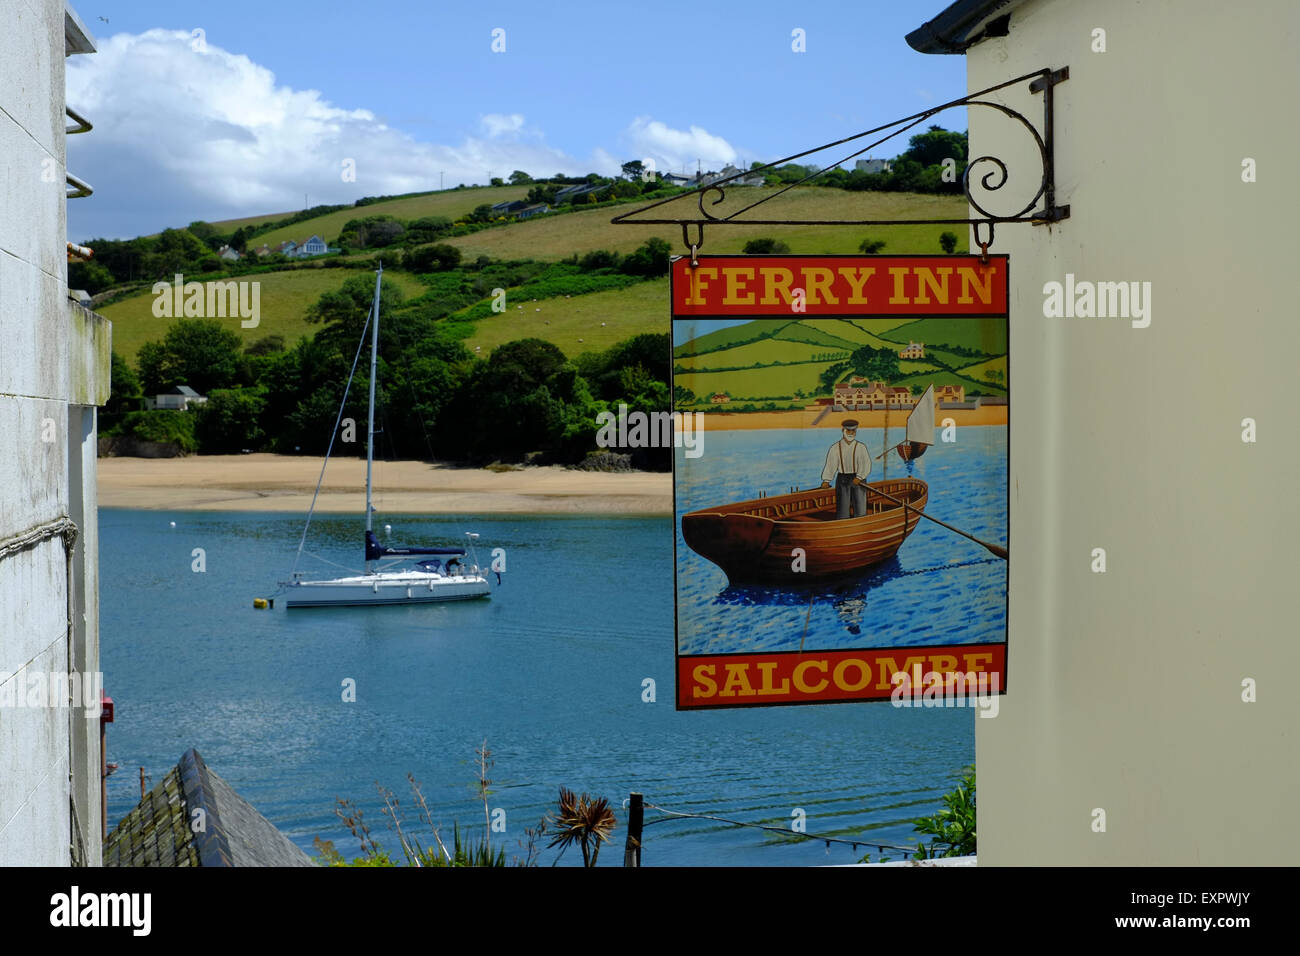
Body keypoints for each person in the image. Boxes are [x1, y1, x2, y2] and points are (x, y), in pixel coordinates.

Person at [820, 419, 871, 519]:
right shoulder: (835, 448)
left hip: (858, 479)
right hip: (842, 479)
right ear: (843, 430)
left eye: (853, 431)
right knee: (842, 510)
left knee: (860, 509)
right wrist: (826, 480)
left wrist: (860, 477)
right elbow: (831, 465)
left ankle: (860, 524)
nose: (851, 433)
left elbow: (866, 464)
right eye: (848, 431)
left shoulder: (861, 447)